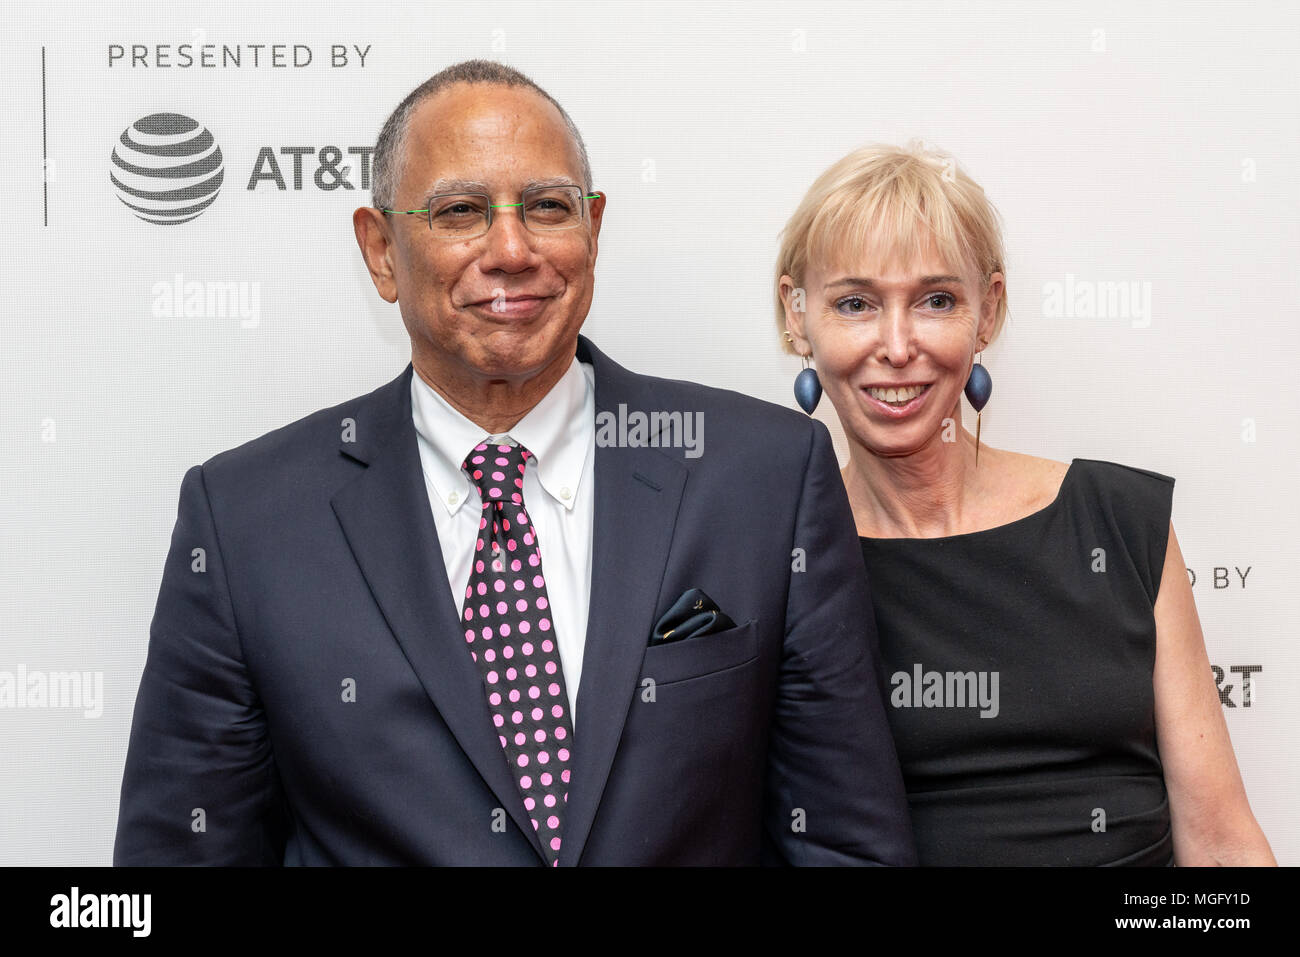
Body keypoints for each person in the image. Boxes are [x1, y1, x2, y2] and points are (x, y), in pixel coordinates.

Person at [112, 60, 916, 866]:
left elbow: (846, 843)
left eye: (547, 207)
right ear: (381, 250)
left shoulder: (764, 478)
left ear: (593, 230)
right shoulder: (246, 521)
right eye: (460, 211)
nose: (511, 248)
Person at [773, 142, 1275, 866]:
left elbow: (1222, 845)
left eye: (935, 300)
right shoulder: (778, 558)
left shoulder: (1120, 522)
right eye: (855, 303)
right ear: (798, 318)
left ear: (989, 311)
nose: (897, 344)